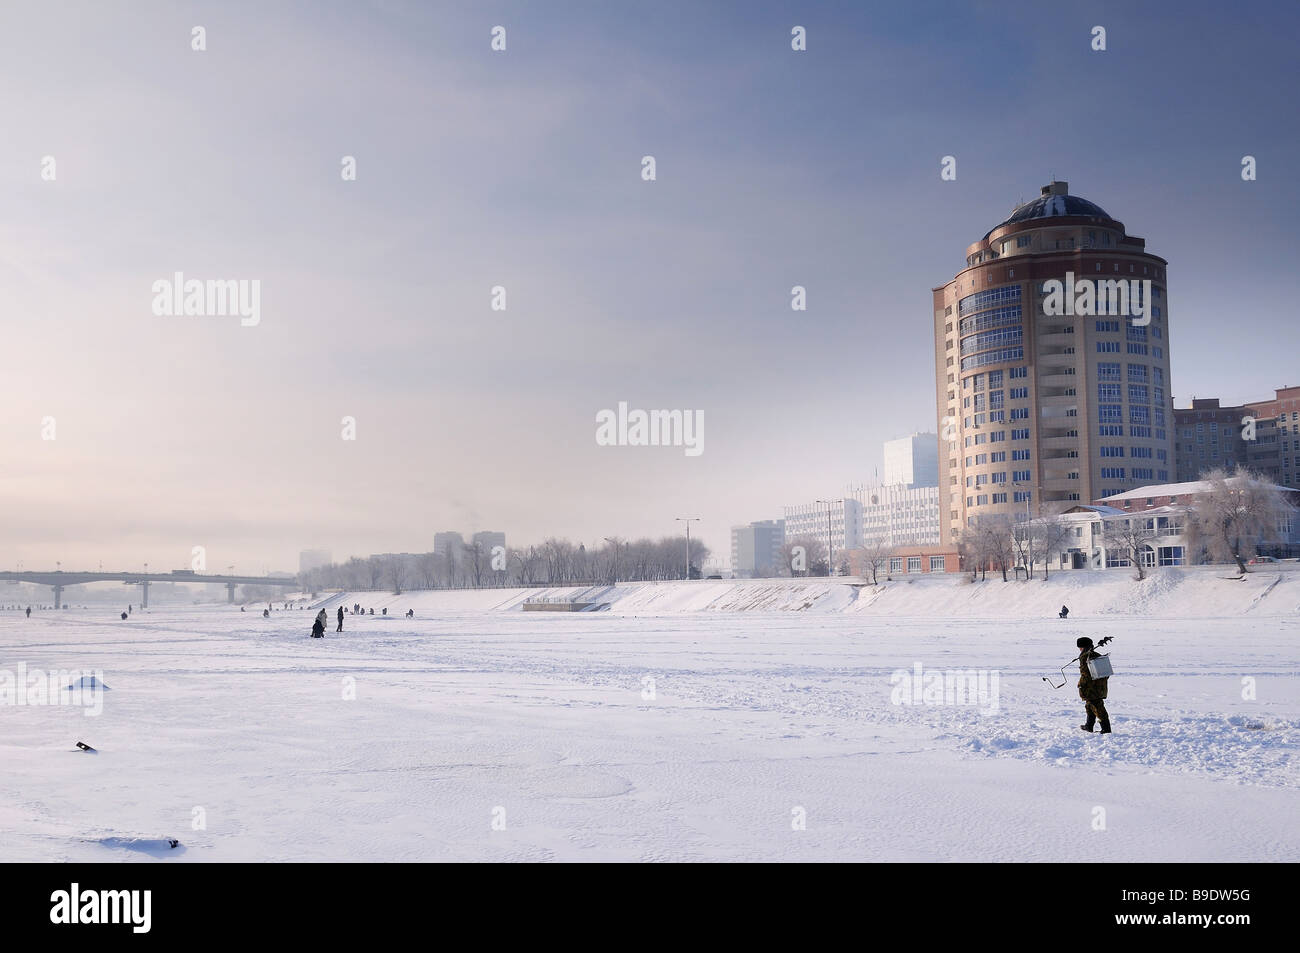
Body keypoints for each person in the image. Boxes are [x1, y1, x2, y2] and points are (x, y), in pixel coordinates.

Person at [1076, 637, 1111, 734]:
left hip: (1091, 688)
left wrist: (1081, 685)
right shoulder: (1096, 655)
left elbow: (1086, 675)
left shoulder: (1085, 658)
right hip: (1099, 686)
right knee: (1089, 706)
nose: (1079, 649)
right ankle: (1089, 725)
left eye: (1080, 647)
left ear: (1083, 647)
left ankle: (1106, 728)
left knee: (1097, 707)